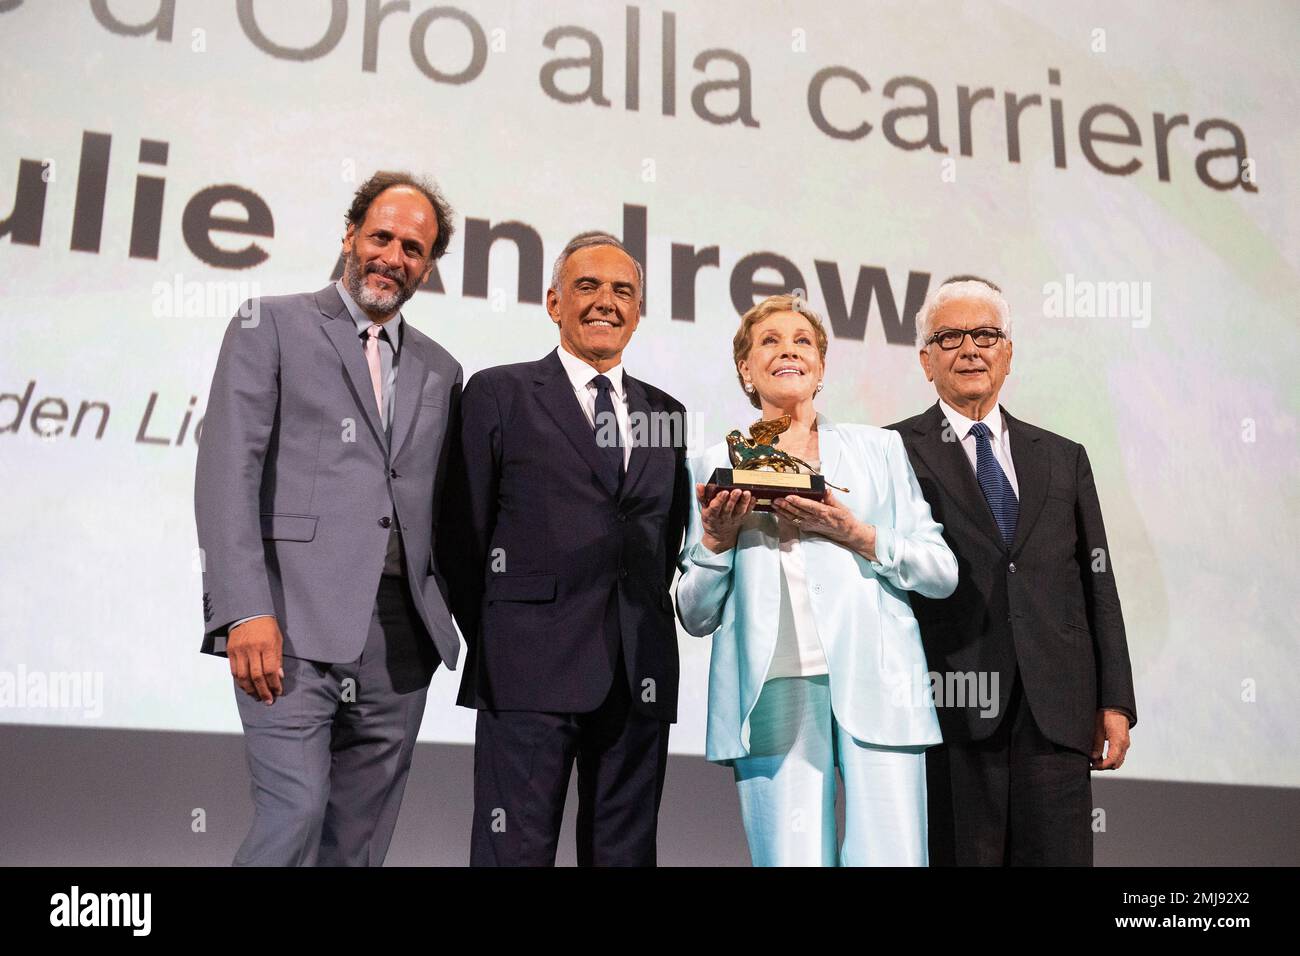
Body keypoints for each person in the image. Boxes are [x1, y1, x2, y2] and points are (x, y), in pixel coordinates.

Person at [194, 171, 462, 866]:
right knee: (295, 814)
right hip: (288, 624)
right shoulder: (272, 323)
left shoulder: (443, 370)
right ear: (350, 235)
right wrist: (242, 609)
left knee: (357, 844)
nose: (393, 256)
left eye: (413, 247)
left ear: (427, 265)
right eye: (381, 236)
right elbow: (228, 476)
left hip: (400, 642)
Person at [674, 293, 957, 866]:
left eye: (803, 341)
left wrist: (858, 534)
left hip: (879, 679)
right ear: (745, 369)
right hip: (772, 686)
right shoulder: (711, 465)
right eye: (770, 341)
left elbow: (941, 571)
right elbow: (694, 613)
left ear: (822, 368)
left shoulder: (878, 449)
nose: (789, 351)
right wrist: (716, 543)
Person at [442, 231, 691, 866]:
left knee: (625, 857)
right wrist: (505, 630)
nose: (606, 301)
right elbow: (461, 537)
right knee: (512, 855)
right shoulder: (499, 392)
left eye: (622, 291)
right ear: (553, 302)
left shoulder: (668, 413)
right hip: (525, 670)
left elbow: (661, 547)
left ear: (638, 313)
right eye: (587, 286)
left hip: (639, 675)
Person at [888, 275, 1137, 866]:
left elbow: (1096, 581)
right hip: (949, 705)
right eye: (950, 337)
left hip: (1056, 710)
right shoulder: (892, 449)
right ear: (926, 361)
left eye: (986, 334)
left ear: (1008, 354)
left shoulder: (1062, 456)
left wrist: (1115, 700)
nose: (970, 348)